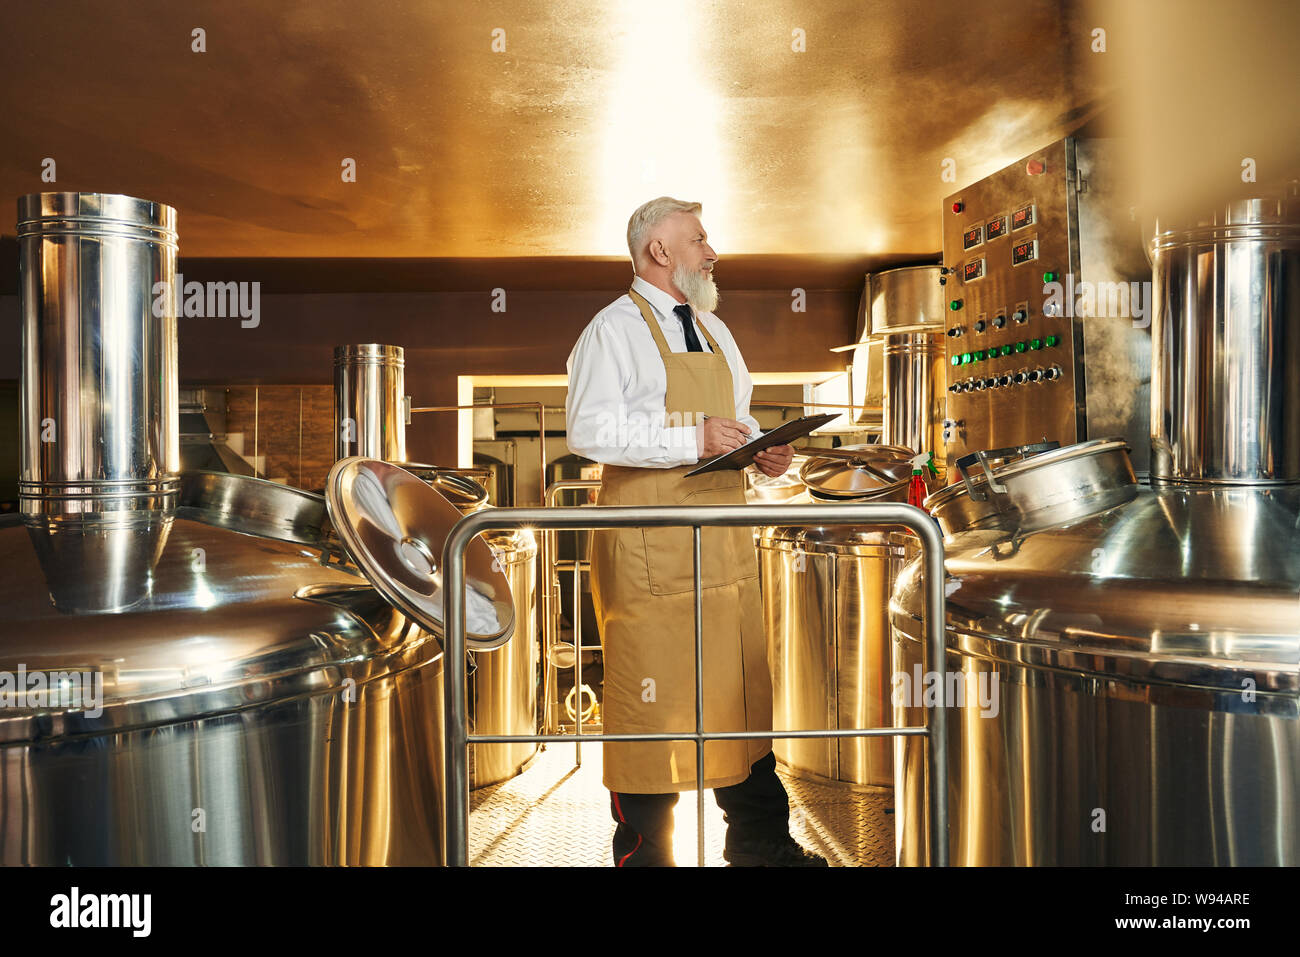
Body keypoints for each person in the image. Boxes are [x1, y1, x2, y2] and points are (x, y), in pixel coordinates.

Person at [565, 196, 827, 867]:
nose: (712, 251)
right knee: (650, 706)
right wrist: (693, 436)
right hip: (650, 551)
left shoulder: (715, 331)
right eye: (700, 239)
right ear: (659, 250)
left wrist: (766, 451)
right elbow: (589, 431)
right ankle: (645, 854)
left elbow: (733, 422)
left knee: (741, 692)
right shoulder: (611, 329)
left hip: (723, 545)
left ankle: (759, 843)